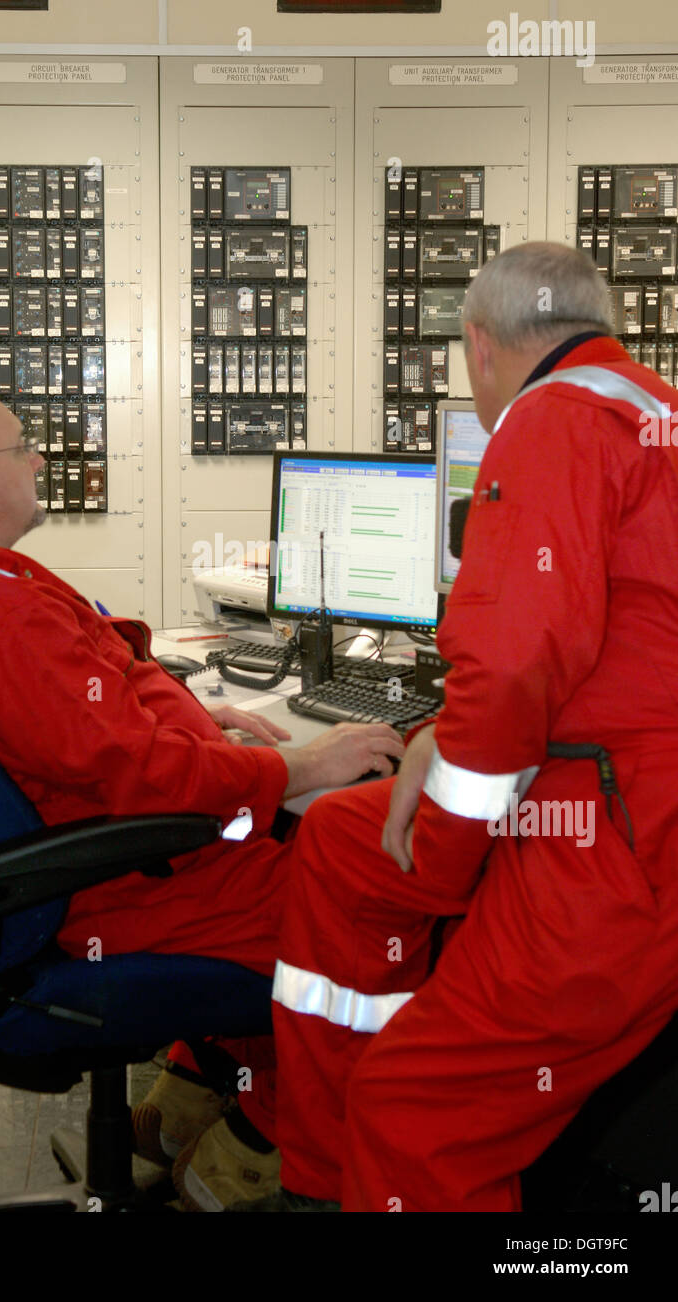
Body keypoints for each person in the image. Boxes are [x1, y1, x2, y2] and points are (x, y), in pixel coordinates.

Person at [0, 388, 403, 1210]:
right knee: (375, 910)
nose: (41, 461)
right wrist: (303, 766)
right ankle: (263, 1150)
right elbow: (132, 769)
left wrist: (196, 718)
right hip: (117, 884)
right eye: (22, 449)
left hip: (94, 860)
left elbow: (91, 717)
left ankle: (178, 1108)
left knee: (314, 852)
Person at [236, 240, 678, 1212]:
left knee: (411, 1113)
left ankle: (382, 1128)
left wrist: (438, 854)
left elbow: (518, 655)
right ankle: (317, 1171)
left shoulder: (550, 420)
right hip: (606, 789)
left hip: (615, 842)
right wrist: (439, 723)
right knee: (344, 847)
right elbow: (589, 641)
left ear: (478, 346)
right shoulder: (643, 408)